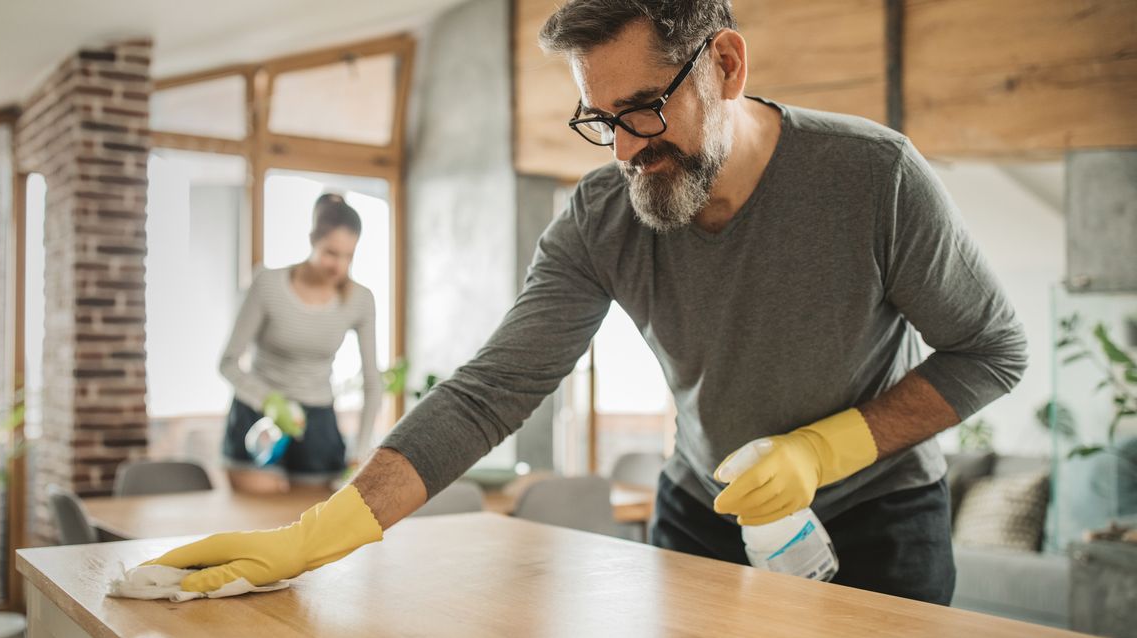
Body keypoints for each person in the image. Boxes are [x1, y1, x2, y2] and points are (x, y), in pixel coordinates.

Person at [148, 0, 1027, 605]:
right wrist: (323, 529)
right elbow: (492, 389)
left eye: (643, 109)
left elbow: (993, 349)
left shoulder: (874, 178)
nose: (623, 150)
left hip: (877, 519)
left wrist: (827, 446)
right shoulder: (603, 217)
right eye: (599, 120)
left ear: (724, 63)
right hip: (704, 515)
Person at [218, 192, 382, 485]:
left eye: (348, 256)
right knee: (260, 515)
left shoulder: (360, 300)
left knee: (312, 514)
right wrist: (268, 401)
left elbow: (372, 382)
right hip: (257, 414)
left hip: (317, 423)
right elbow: (228, 363)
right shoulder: (267, 284)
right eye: (331, 252)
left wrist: (360, 452)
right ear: (312, 240)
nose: (339, 265)